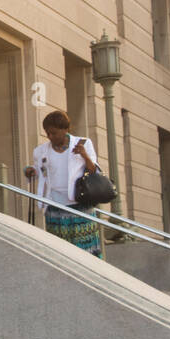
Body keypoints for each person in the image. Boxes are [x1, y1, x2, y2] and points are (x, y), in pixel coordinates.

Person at [23, 110, 105, 259]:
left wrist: (84, 155)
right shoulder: (41, 151)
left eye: (54, 133)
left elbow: (94, 170)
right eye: (47, 133)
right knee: (60, 253)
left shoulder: (83, 143)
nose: (50, 137)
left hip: (80, 204)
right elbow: (40, 170)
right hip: (55, 207)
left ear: (65, 129)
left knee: (85, 252)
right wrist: (30, 170)